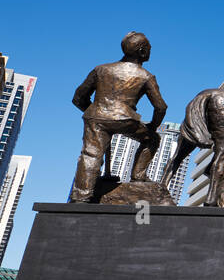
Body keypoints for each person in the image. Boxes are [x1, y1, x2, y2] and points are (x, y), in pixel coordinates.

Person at [70, 31, 167, 202]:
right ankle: (138, 176)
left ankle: (81, 196)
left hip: (96, 117)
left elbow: (78, 97)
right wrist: (153, 126)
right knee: (151, 139)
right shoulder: (146, 76)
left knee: (91, 154)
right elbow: (160, 107)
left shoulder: (101, 69)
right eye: (149, 48)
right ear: (142, 51)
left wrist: (95, 112)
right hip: (124, 119)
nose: (150, 52)